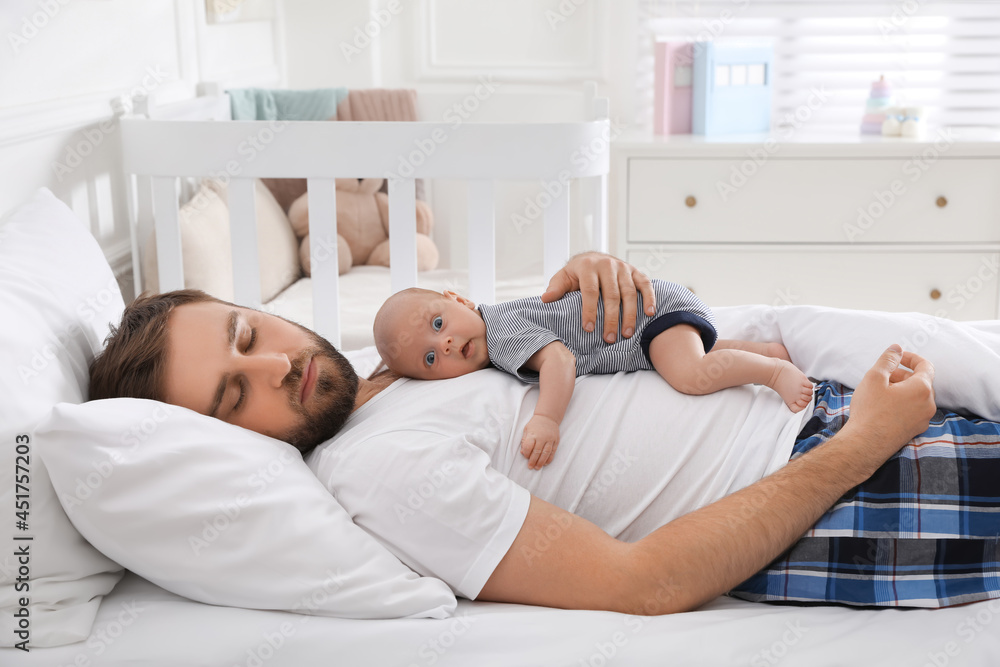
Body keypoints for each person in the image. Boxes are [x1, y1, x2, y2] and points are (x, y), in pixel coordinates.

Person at [89, 253, 1000, 613]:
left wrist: (596, 280)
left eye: (248, 334)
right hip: (830, 484)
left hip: (827, 402)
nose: (274, 365)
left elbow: (547, 341)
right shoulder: (375, 470)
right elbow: (645, 583)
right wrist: (861, 445)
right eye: (231, 396)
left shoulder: (396, 359)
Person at [372, 280, 813, 470]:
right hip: (652, 320)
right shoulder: (496, 333)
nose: (446, 344)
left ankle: (771, 372)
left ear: (459, 299)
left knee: (690, 374)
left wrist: (547, 418)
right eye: (430, 358)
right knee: (685, 354)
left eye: (438, 324)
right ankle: (765, 351)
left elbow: (560, 361)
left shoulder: (501, 333)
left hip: (647, 317)